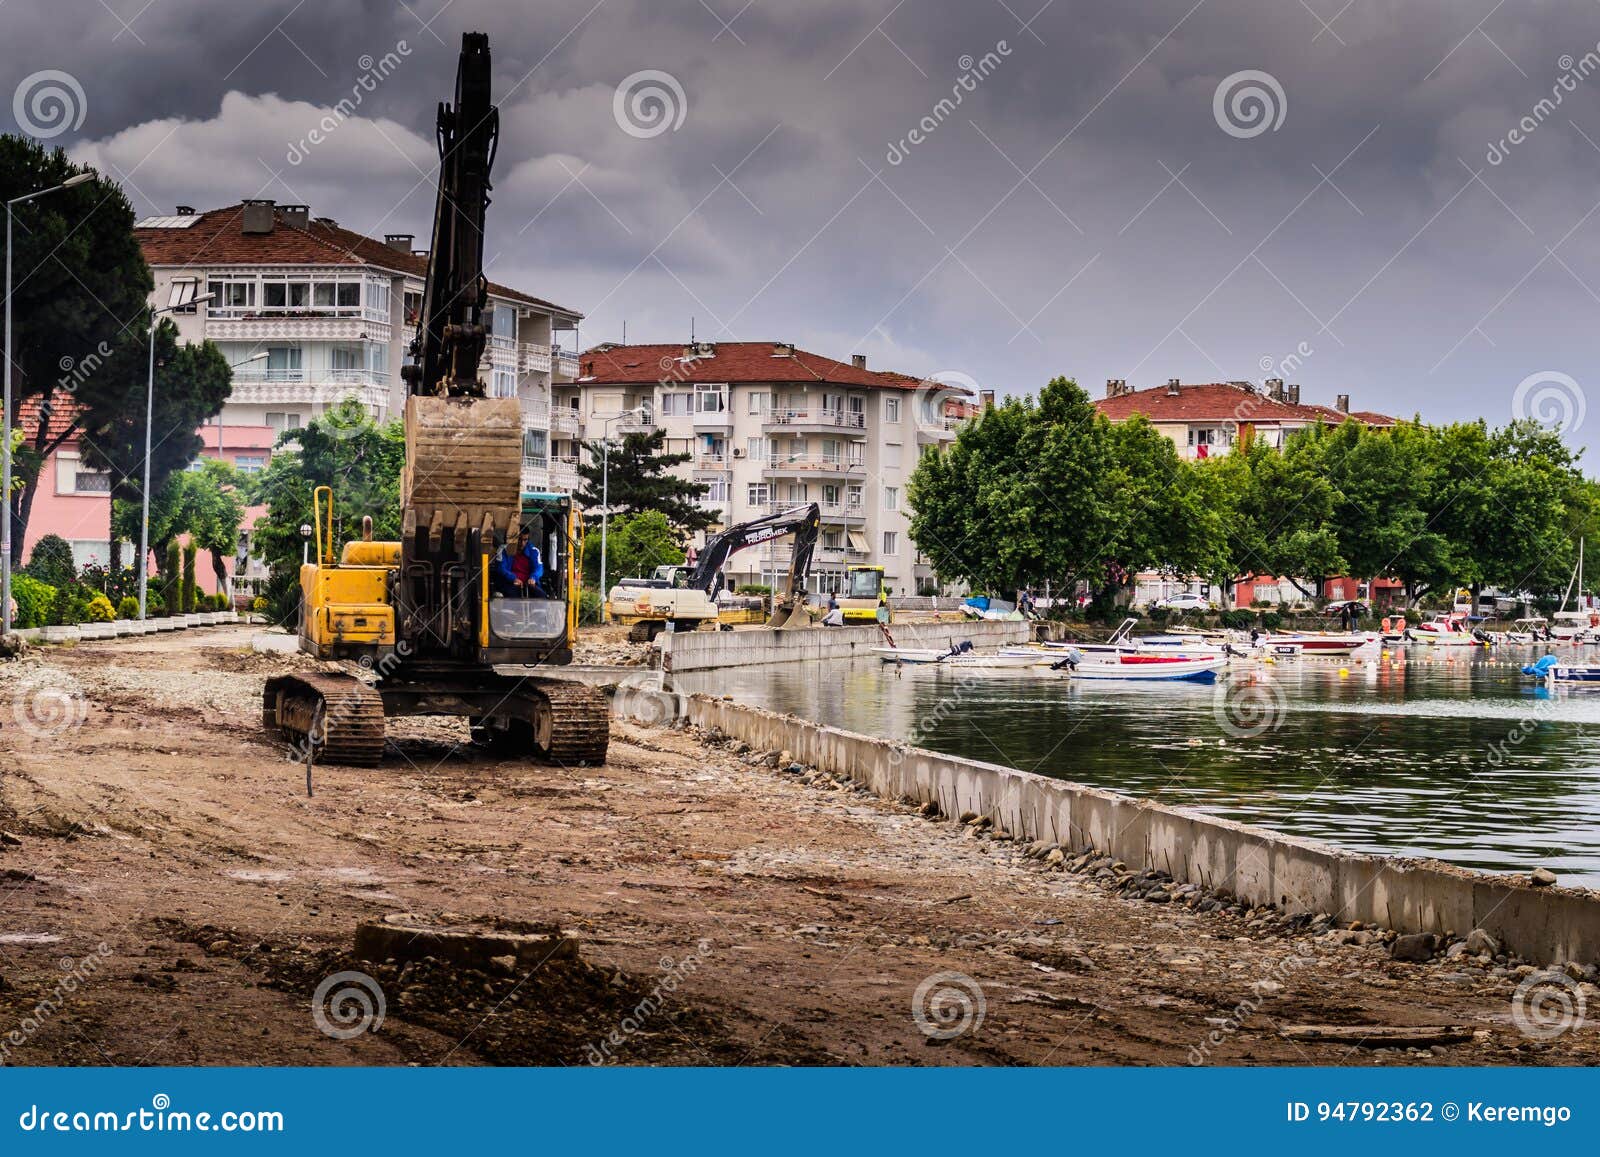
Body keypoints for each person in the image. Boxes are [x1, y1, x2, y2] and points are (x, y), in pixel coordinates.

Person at [496, 528, 544, 597]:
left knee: (541, 596)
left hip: (529, 584)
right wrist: (513, 578)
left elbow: (539, 568)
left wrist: (533, 578)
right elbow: (501, 568)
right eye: (519, 539)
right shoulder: (503, 550)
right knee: (510, 596)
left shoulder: (534, 551)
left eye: (525, 540)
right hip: (509, 583)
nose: (522, 543)